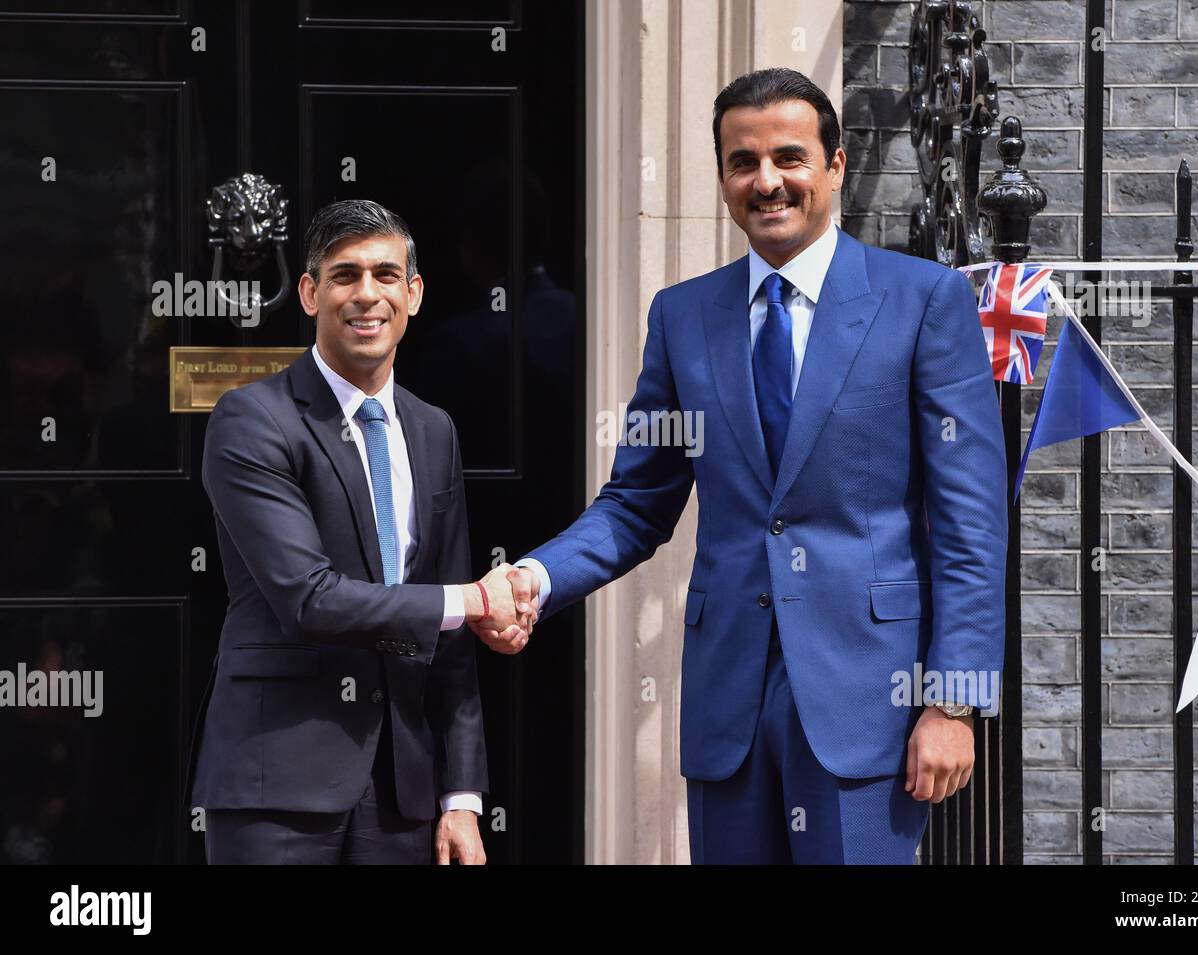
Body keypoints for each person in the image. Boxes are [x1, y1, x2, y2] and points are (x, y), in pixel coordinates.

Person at [481, 69, 1008, 864]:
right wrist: (537, 577)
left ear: (834, 165)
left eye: (790, 158)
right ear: (724, 175)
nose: (767, 182)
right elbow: (636, 502)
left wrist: (955, 701)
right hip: (729, 699)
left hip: (872, 702)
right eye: (742, 162)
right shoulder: (683, 315)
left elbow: (971, 518)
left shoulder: (923, 300)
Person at [189, 200, 534, 865]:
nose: (367, 293)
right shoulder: (252, 419)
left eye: (385, 273)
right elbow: (310, 597)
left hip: (403, 791)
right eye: (345, 275)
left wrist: (461, 794)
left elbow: (453, 643)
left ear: (414, 293)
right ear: (311, 293)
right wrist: (474, 598)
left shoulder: (435, 430)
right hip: (276, 784)